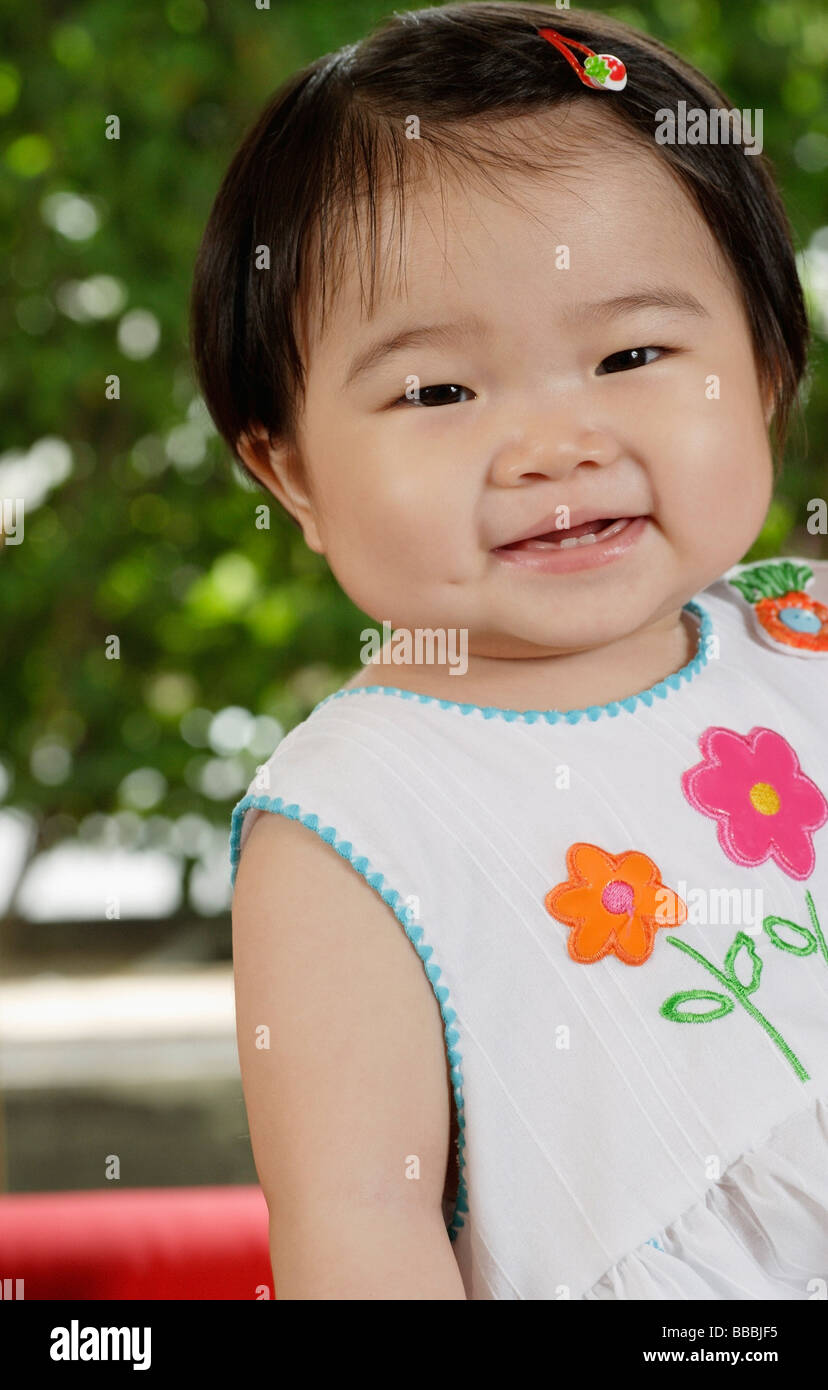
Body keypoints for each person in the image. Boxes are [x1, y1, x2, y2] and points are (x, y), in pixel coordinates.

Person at [190, 3, 828, 1299]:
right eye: (440, 392)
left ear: (763, 365)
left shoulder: (804, 639)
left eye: (632, 353)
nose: (554, 444)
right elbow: (359, 1223)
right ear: (290, 464)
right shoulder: (350, 819)